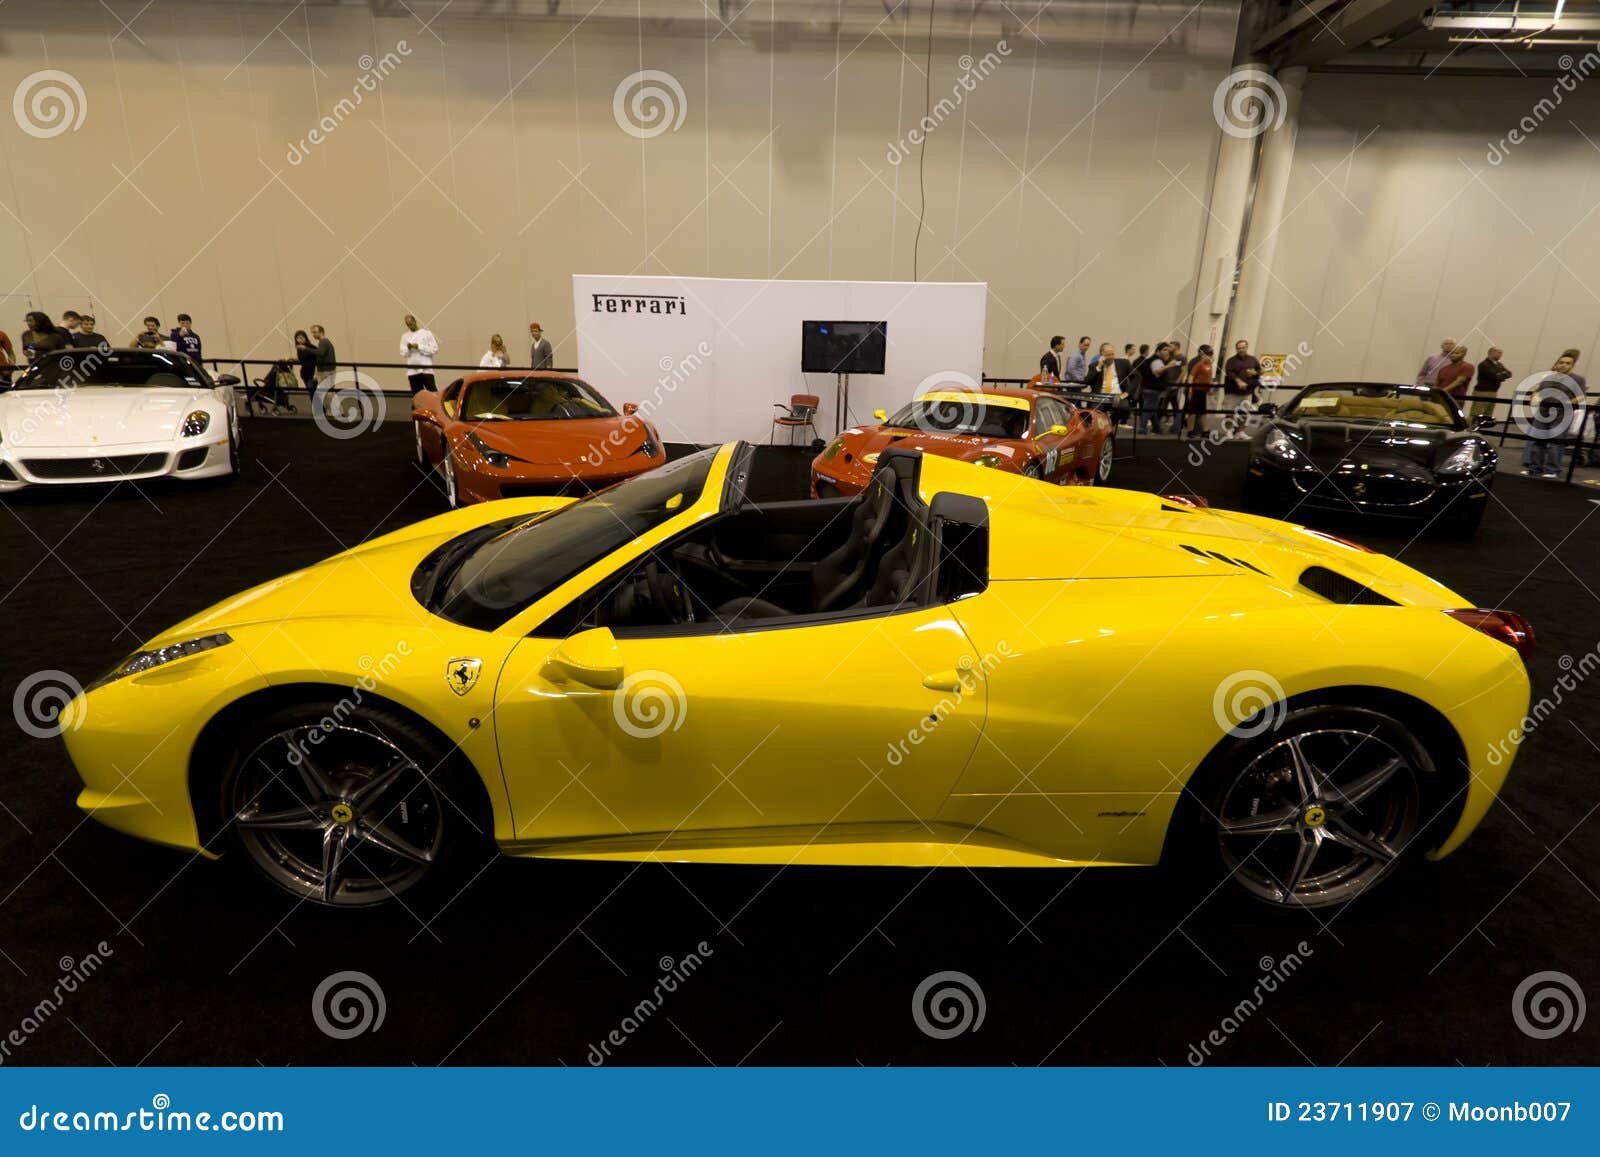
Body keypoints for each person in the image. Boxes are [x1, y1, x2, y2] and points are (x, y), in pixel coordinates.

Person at [1522, 353, 1584, 478]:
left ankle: (1552, 470)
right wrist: (1534, 397)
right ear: (1557, 364)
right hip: (1543, 412)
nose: (1564, 365)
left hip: (1562, 414)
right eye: (1561, 362)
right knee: (1537, 441)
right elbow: (1537, 391)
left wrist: (1566, 403)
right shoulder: (1547, 378)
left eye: (1568, 363)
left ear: (1572, 365)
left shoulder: (1578, 379)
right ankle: (1535, 468)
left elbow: (1580, 396)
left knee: (1556, 443)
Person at [398, 314, 439, 394]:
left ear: (415, 321)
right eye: (408, 325)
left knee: (433, 394)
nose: (410, 326)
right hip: (412, 372)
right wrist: (408, 348)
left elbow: (435, 349)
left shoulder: (427, 333)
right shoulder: (404, 336)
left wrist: (419, 347)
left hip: (426, 371)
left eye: (411, 324)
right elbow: (403, 353)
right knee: (417, 397)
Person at [1183, 345, 1214, 439]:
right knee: (1193, 412)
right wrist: (1190, 391)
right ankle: (1190, 430)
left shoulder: (1209, 365)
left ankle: (1205, 430)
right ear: (1202, 354)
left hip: (1203, 391)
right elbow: (1191, 377)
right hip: (1196, 390)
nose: (1209, 356)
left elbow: (1208, 378)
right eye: (1207, 354)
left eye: (1211, 354)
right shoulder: (1198, 364)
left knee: (1202, 412)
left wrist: (1211, 385)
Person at [1474, 347, 1512, 423]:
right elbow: (1494, 376)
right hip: (1482, 392)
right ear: (1491, 352)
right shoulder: (1484, 364)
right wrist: (1501, 375)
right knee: (1476, 414)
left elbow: (1509, 373)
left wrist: (1500, 376)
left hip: (1493, 392)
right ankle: (1469, 430)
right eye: (1499, 352)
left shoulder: (1499, 364)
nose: (1501, 355)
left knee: (1487, 415)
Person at [1140, 343, 1168, 434]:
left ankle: (1157, 428)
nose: (1167, 352)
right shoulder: (1156, 360)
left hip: (1148, 387)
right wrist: (1169, 365)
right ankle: (1142, 428)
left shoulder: (1150, 360)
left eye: (1168, 350)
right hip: (1153, 388)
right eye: (1165, 350)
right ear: (1158, 351)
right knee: (1149, 409)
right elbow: (1156, 372)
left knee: (1152, 408)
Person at [311, 324, 337, 412]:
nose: (313, 335)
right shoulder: (325, 342)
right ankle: (334, 411)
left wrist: (307, 349)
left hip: (326, 371)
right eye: (312, 333)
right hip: (328, 371)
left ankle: (336, 411)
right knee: (328, 393)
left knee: (327, 393)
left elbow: (320, 353)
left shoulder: (323, 342)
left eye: (315, 332)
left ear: (321, 332)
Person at [293, 329, 319, 406]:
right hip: (304, 373)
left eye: (301, 337)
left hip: (312, 373)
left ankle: (318, 409)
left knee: (313, 391)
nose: (300, 340)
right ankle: (318, 409)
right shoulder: (299, 349)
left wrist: (316, 373)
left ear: (305, 337)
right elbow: (302, 359)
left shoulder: (312, 347)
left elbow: (317, 360)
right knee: (311, 392)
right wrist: (293, 359)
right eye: (297, 338)